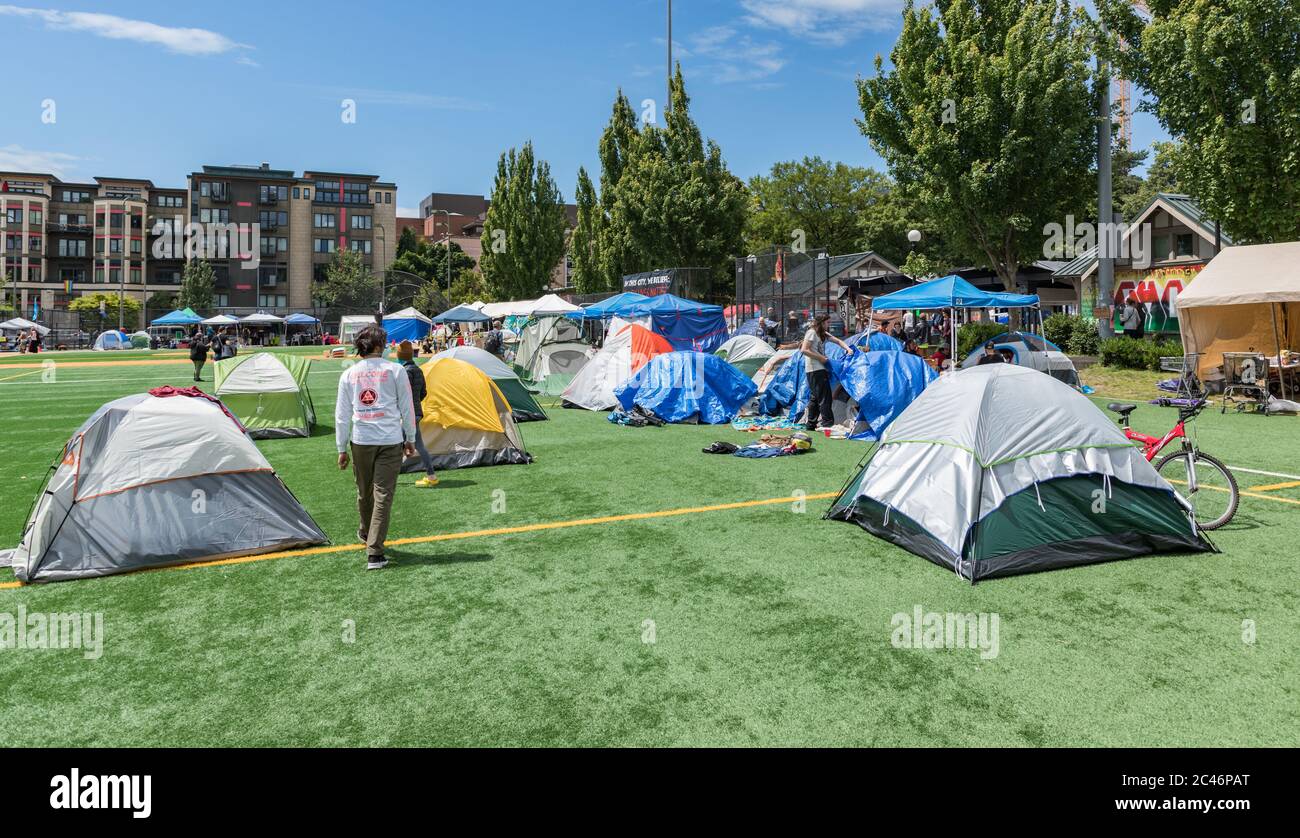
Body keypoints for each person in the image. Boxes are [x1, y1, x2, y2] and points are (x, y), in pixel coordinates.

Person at [336, 326, 417, 570]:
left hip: (361, 440)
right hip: (390, 440)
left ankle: (368, 536)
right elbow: (407, 407)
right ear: (379, 346)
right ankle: (374, 551)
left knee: (365, 492)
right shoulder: (396, 371)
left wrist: (341, 448)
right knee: (383, 495)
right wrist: (410, 437)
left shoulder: (349, 374)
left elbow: (341, 415)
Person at [801, 313, 854, 432]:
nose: (828, 325)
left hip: (820, 368)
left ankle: (811, 424)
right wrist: (820, 358)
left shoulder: (822, 334)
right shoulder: (811, 332)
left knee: (815, 397)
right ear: (821, 323)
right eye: (827, 322)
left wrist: (848, 349)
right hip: (815, 369)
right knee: (825, 397)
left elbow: (838, 341)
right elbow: (804, 349)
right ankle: (827, 423)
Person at [396, 340, 438, 489]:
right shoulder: (418, 370)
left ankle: (387, 475)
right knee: (419, 445)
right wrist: (416, 402)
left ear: (401, 357)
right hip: (417, 412)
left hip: (408, 414)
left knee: (396, 444)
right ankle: (431, 476)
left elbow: (402, 394)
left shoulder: (404, 371)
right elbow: (423, 392)